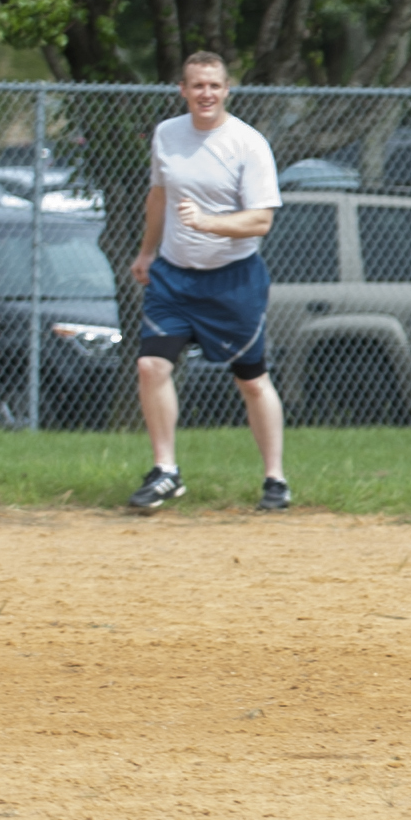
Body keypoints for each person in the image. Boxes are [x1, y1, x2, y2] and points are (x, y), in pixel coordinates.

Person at [127, 53, 287, 512]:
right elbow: (159, 194)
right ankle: (166, 472)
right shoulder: (167, 135)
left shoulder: (247, 144)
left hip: (233, 279)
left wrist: (208, 223)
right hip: (174, 276)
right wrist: (146, 251)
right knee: (151, 367)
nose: (206, 94)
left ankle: (275, 480)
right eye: (197, 86)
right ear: (182, 89)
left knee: (252, 381)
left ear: (227, 90)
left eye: (214, 86)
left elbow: (261, 221)